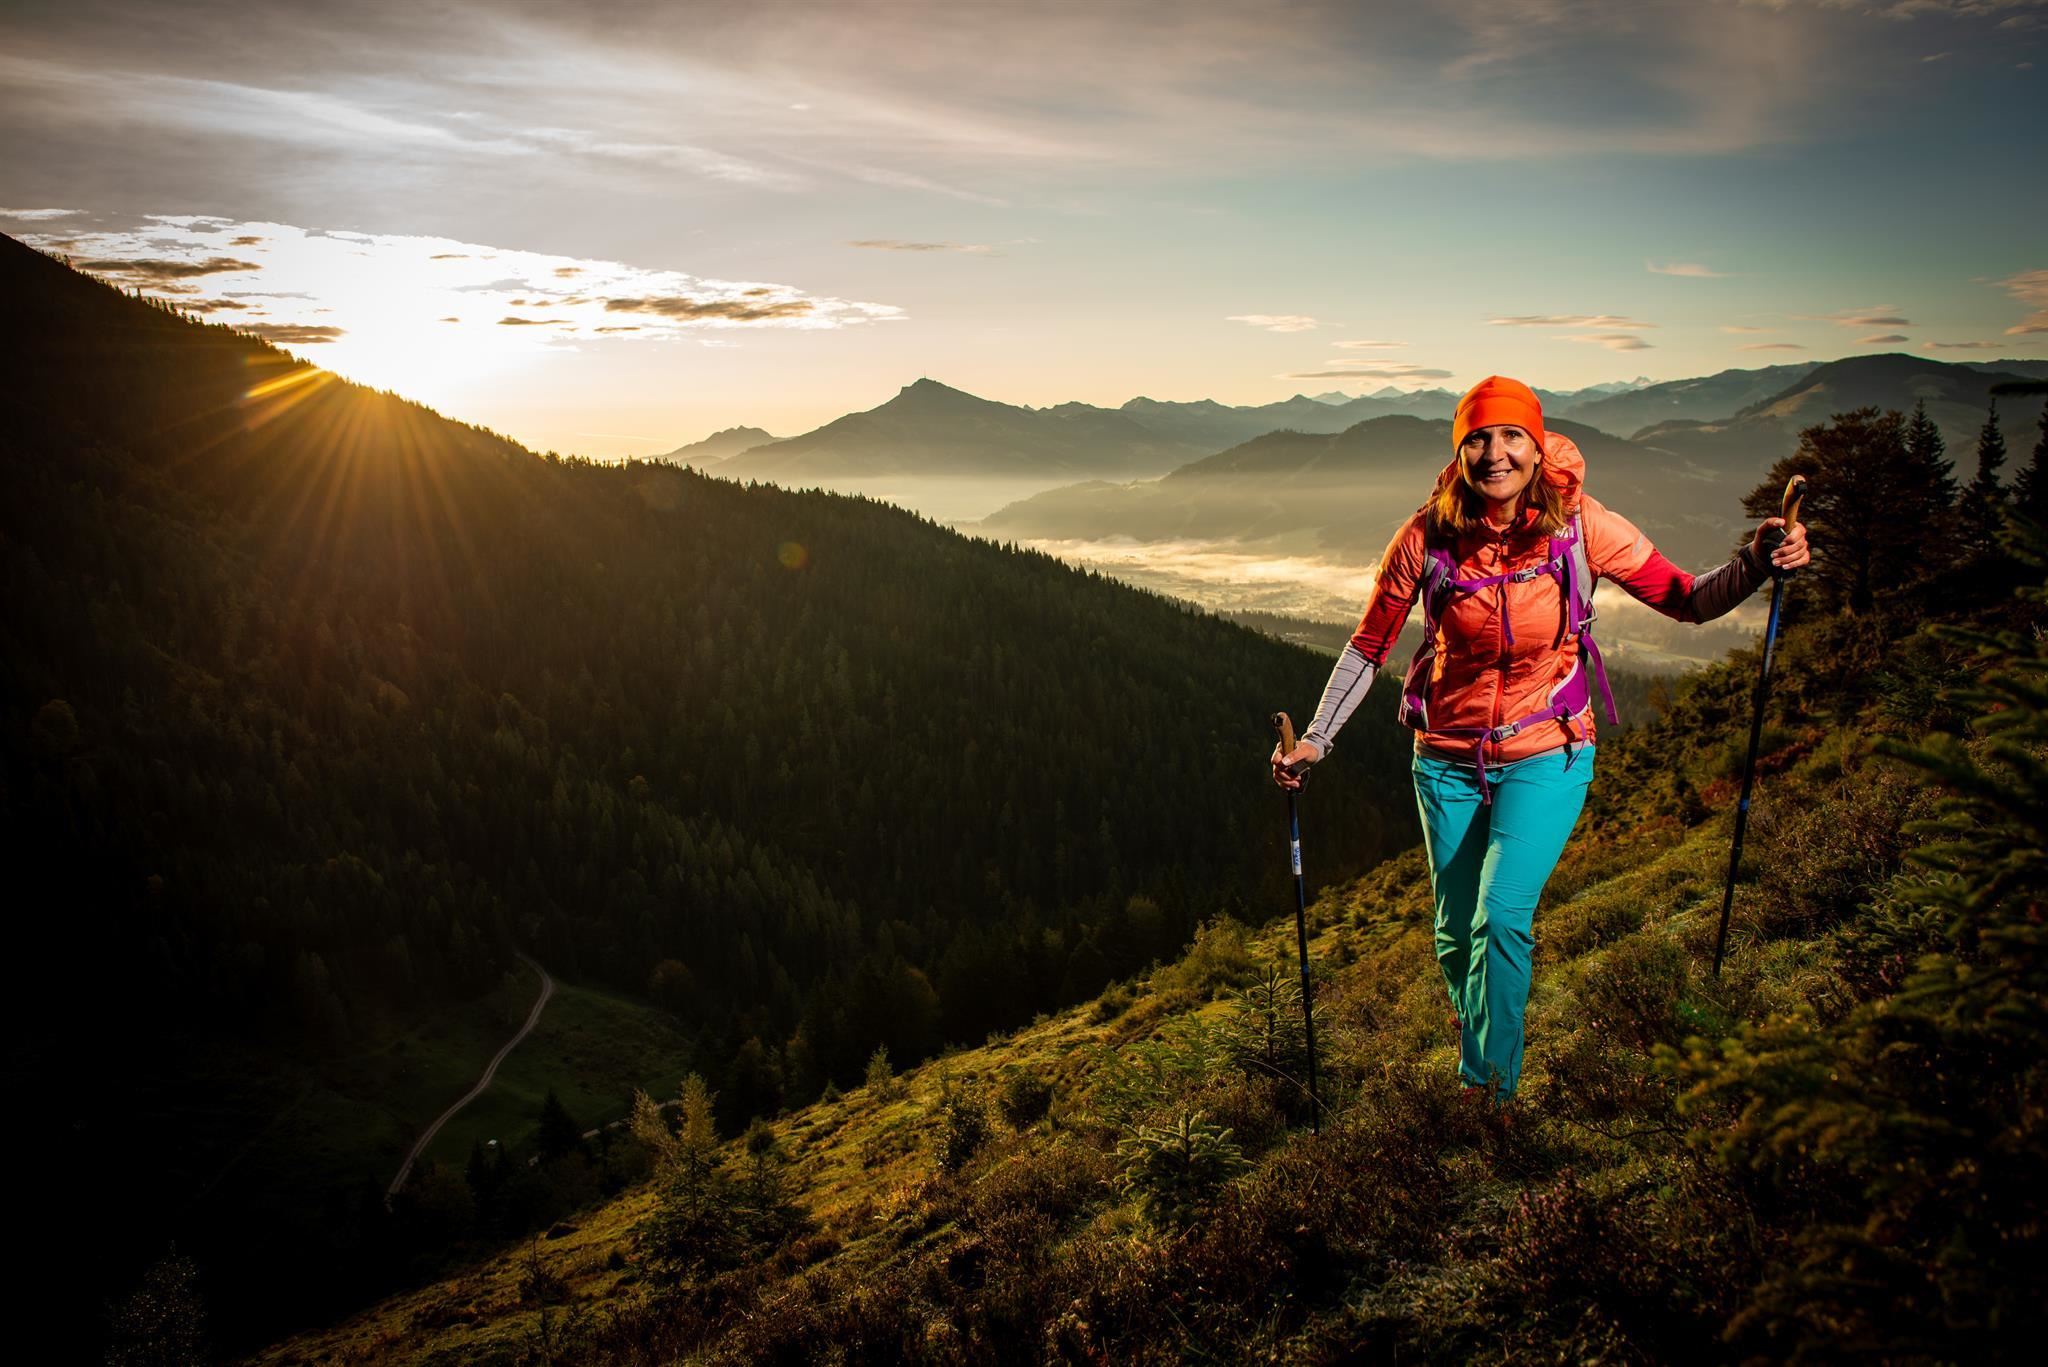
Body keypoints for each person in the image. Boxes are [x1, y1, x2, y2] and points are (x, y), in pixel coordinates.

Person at [1269, 375, 1808, 1110]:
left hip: (1548, 749)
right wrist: (1318, 741)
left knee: (1501, 916)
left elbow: (1686, 599)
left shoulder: (1582, 525)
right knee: (1456, 934)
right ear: (1460, 450)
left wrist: (1754, 563)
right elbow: (1369, 648)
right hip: (1446, 762)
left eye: (1511, 436)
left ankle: (1490, 1099)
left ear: (1536, 442)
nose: (1495, 453)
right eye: (1478, 438)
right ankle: (1481, 1052)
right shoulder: (1424, 537)